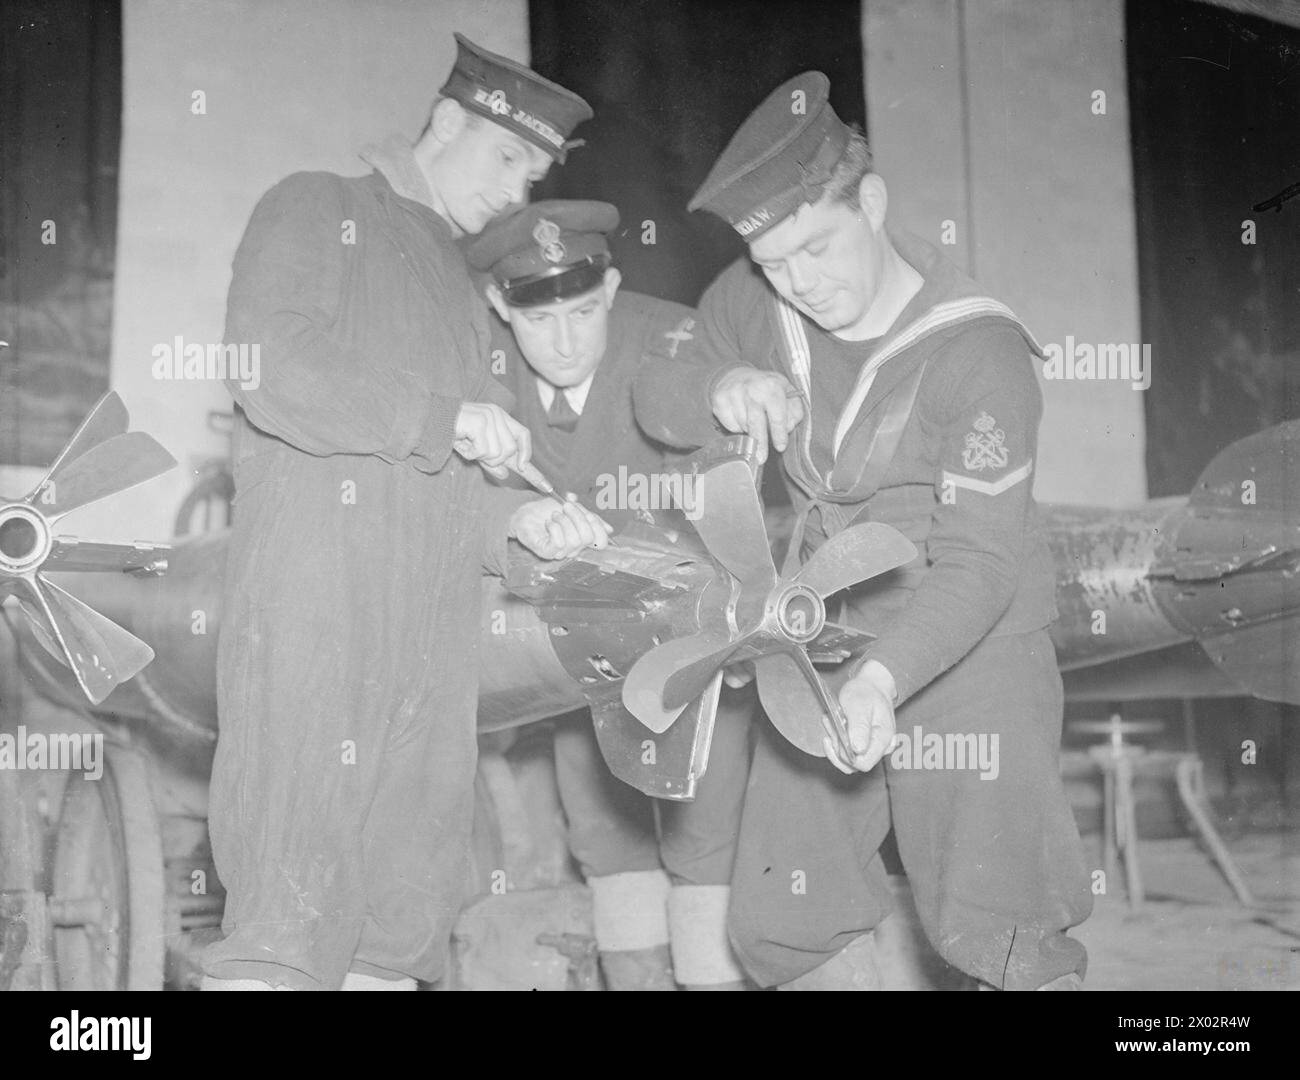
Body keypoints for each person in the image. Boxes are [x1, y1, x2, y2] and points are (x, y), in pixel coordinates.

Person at [633, 72, 1093, 990]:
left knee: (996, 915)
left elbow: (979, 562)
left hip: (972, 641)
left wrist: (884, 680)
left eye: (816, 249)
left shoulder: (980, 352)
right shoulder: (762, 298)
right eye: (774, 265)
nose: (802, 286)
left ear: (871, 204)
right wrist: (718, 386)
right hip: (823, 623)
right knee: (785, 914)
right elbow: (657, 383)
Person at [203, 34, 610, 992]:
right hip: (316, 621)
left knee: (394, 934)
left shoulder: (470, 298)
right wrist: (445, 416)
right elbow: (271, 373)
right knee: (284, 927)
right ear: (444, 123)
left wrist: (516, 526)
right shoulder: (320, 205)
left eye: (536, 171)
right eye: (507, 156)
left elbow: (445, 487)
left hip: (434, 654)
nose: (517, 189)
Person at [465, 200, 754, 990]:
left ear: (614, 287)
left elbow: (728, 492)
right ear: (501, 306)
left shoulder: (674, 340)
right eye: (539, 319)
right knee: (603, 832)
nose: (563, 341)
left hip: (689, 643)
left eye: (586, 312)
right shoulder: (474, 367)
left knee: (705, 833)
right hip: (575, 656)